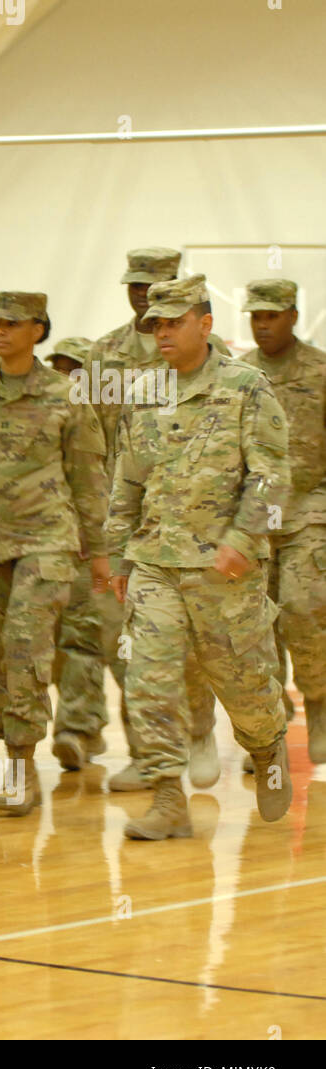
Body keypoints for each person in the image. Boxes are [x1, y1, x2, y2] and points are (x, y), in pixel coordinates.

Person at [106, 275, 290, 840]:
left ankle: (267, 744)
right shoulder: (142, 392)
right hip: (157, 562)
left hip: (224, 568)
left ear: (205, 324)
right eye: (155, 324)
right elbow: (127, 479)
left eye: (172, 322)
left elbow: (271, 473)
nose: (161, 332)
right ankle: (167, 798)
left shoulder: (246, 387)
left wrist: (241, 536)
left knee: (241, 680)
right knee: (149, 677)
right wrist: (118, 553)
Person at [0, 292, 108, 815]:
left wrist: (101, 552)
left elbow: (89, 479)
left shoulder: (65, 397)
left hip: (47, 544)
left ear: (38, 331)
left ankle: (23, 770)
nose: (0, 331)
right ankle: (5, 753)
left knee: (26, 649)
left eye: (13, 324)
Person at [81, 248, 225, 790]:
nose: (144, 294)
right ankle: (148, 754)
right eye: (136, 284)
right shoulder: (104, 355)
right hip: (127, 518)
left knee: (193, 644)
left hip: (194, 522)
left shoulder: (216, 356)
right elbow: (91, 443)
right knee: (132, 645)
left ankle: (200, 728)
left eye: (156, 284)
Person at [238, 278, 326, 764]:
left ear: (293, 315)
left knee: (303, 607)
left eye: (271, 315)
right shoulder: (238, 374)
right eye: (256, 315)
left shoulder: (320, 370)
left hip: (309, 507)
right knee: (255, 630)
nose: (262, 324)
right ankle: (267, 738)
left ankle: (318, 701)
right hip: (253, 516)